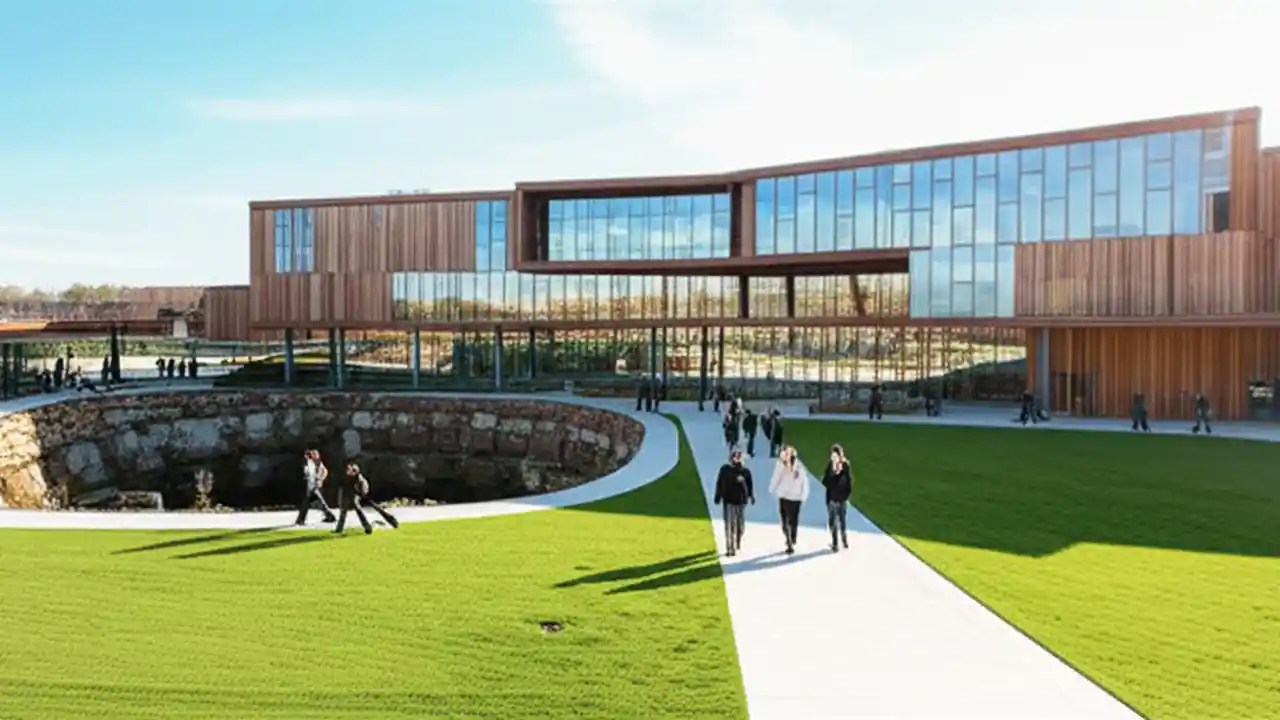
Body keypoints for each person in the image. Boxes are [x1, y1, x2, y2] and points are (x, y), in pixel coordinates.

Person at [335, 462, 400, 535]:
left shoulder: (360, 479)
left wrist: (362, 496)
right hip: (351, 494)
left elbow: (364, 491)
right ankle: (339, 529)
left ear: (354, 471)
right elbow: (343, 490)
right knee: (344, 510)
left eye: (349, 470)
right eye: (347, 470)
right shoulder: (345, 478)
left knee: (375, 508)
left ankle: (389, 522)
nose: (347, 471)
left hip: (362, 494)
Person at [713, 449, 754, 557]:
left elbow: (750, 487)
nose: (736, 459)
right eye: (734, 457)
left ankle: (737, 540)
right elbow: (720, 483)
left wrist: (751, 496)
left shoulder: (745, 472)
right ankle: (730, 548)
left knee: (740, 525)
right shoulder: (725, 470)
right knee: (729, 525)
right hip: (728, 501)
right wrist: (718, 496)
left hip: (741, 502)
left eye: (738, 457)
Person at [768, 445, 808, 555]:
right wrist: (772, 488)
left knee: (793, 521)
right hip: (784, 496)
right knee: (784, 521)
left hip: (795, 498)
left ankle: (792, 538)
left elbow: (804, 482)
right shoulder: (780, 465)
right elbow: (776, 477)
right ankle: (789, 539)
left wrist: (803, 496)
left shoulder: (799, 468)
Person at [821, 444, 853, 552]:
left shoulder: (845, 465)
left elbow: (849, 482)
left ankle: (843, 540)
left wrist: (847, 496)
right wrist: (832, 470)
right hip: (832, 498)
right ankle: (836, 543)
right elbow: (825, 482)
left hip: (840, 498)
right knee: (833, 522)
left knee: (841, 520)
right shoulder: (831, 466)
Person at [295, 449, 337, 525]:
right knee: (313, 503)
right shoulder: (311, 463)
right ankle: (330, 516)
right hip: (312, 486)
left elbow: (311, 475)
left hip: (311, 486)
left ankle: (301, 519)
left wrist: (319, 479)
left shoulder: (310, 464)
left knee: (308, 503)